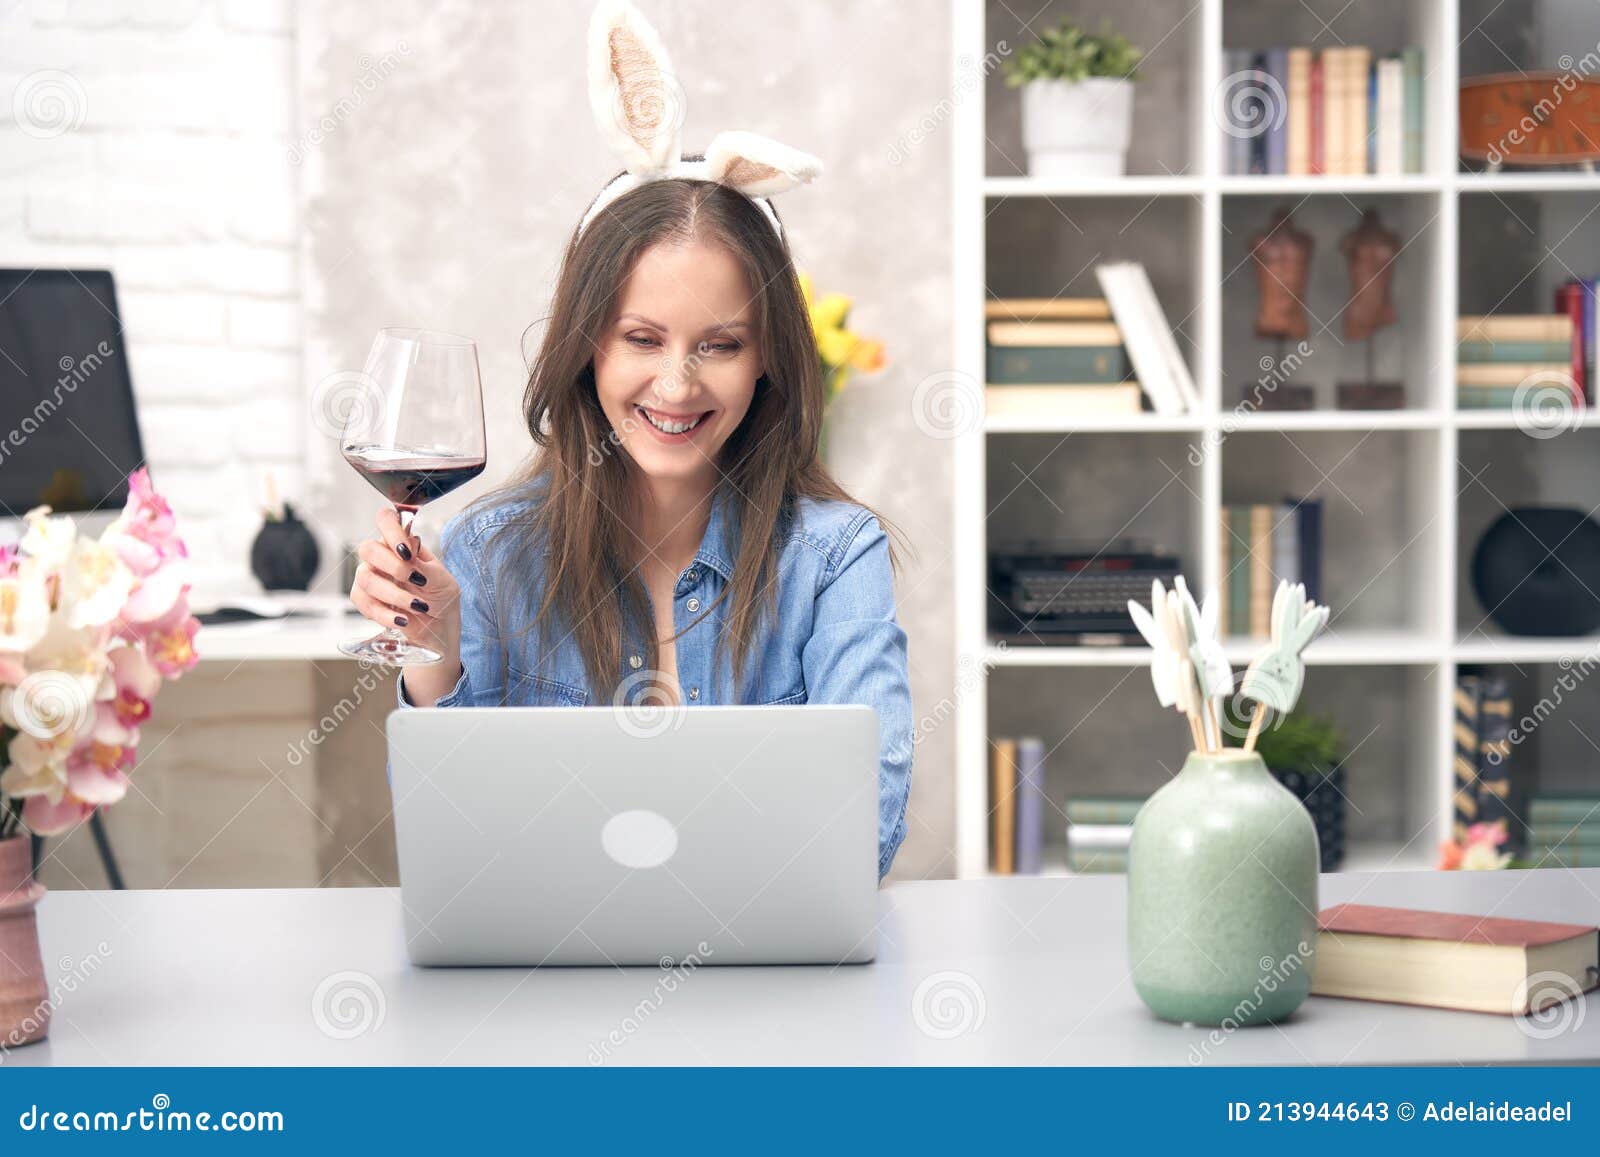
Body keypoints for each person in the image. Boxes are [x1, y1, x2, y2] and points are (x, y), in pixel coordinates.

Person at [347, 0, 914, 879]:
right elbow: (453, 849)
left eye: (719, 345)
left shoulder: (835, 558)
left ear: (766, 359)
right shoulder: (491, 554)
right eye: (642, 339)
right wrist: (438, 652)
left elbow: (865, 834)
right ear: (587, 348)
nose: (678, 384)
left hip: (763, 988)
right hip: (552, 993)